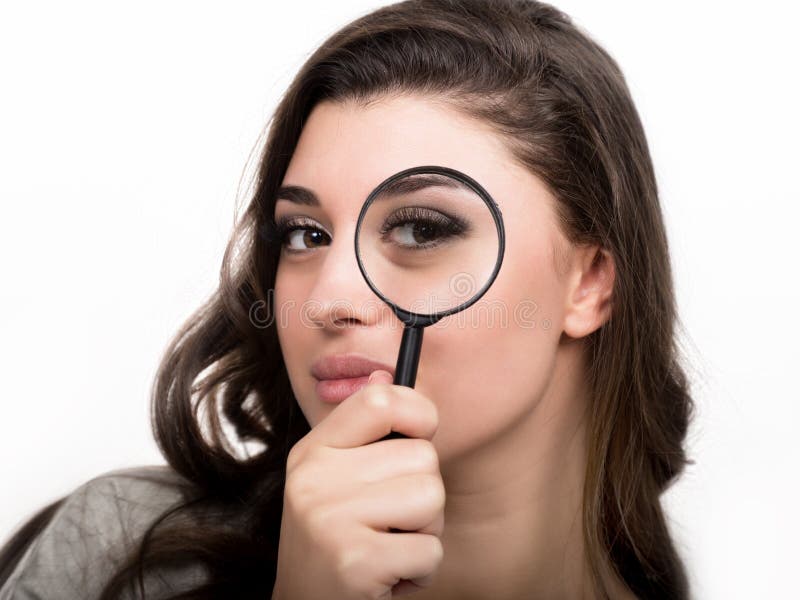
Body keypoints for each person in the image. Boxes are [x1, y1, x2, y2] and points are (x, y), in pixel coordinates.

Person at [0, 0, 694, 598]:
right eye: (304, 234)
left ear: (590, 282)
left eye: (422, 227)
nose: (329, 298)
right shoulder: (122, 555)